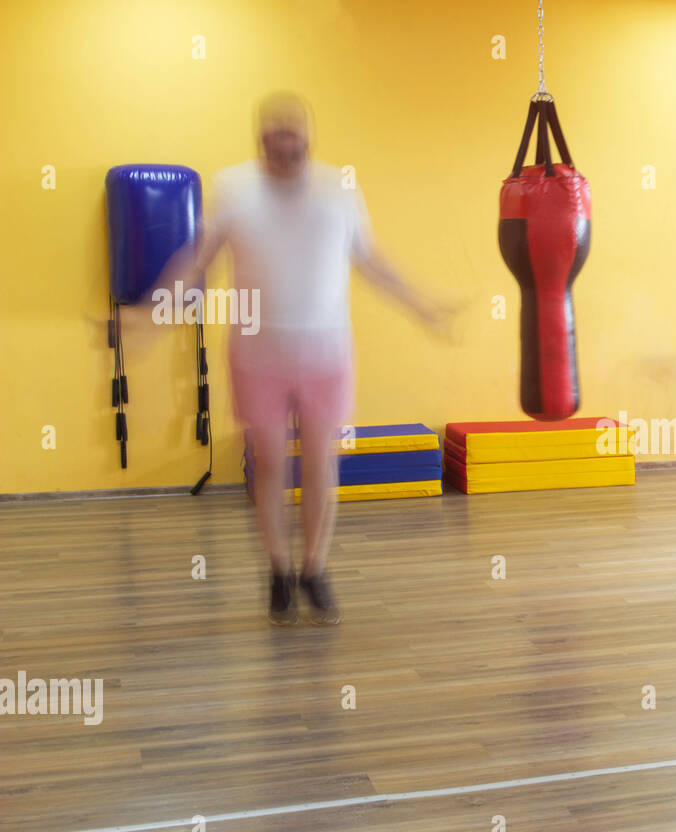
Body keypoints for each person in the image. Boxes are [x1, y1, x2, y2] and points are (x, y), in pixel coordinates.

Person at [134, 92, 457, 625]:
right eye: (276, 127)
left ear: (308, 135)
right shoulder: (232, 188)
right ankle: (278, 571)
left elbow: (373, 260)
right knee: (268, 465)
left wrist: (423, 306)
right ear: (261, 137)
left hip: (326, 353)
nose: (286, 135)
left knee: (320, 463)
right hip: (256, 353)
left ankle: (314, 569)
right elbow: (198, 261)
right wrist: (151, 314)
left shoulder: (339, 191)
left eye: (294, 127)